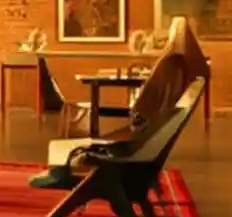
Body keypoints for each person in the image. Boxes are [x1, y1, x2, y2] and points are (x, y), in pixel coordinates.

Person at [29, 17, 202, 188]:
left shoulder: (169, 66)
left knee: (61, 147)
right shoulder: (179, 71)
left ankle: (60, 175)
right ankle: (59, 173)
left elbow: (142, 108)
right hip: (142, 144)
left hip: (131, 150)